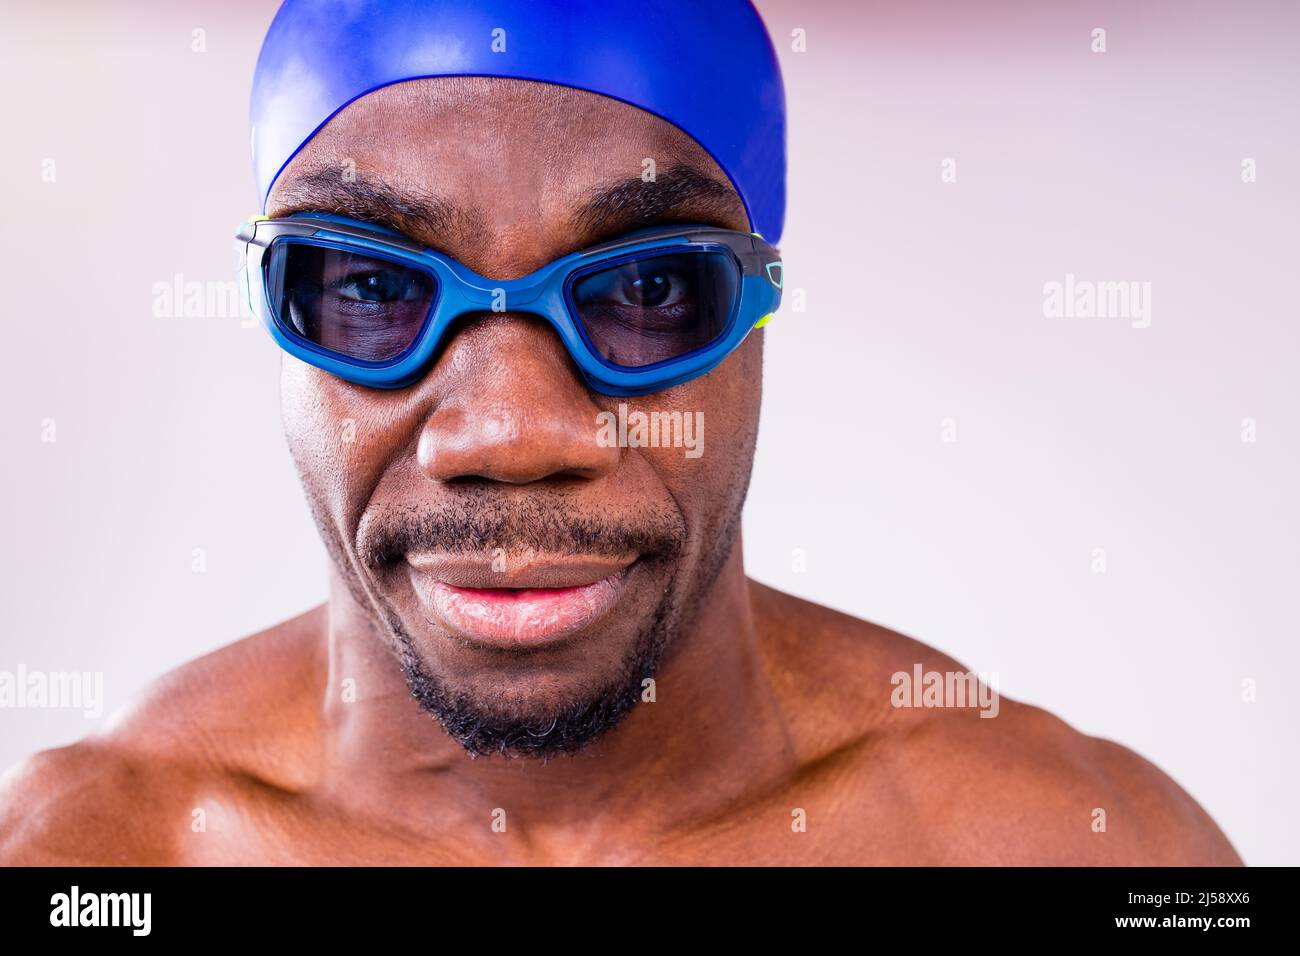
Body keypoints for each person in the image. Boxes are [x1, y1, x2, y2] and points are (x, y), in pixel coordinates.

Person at [0, 0, 1241, 865]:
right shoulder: (90, 858)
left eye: (644, 292)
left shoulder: (1064, 848)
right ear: (272, 311)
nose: (510, 429)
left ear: (756, 307)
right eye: (377, 290)